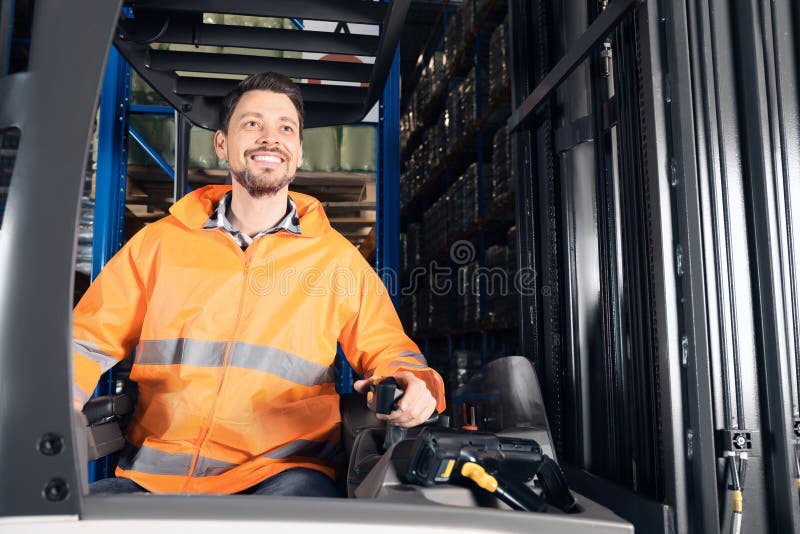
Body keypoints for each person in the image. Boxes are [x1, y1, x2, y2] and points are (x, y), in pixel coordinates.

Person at [73, 71, 445, 497]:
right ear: (221, 143)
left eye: (285, 128)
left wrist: (417, 383)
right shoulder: (159, 244)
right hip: (157, 475)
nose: (271, 138)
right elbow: (86, 339)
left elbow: (389, 348)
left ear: (299, 151)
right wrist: (56, 400)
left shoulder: (336, 261)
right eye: (253, 124)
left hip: (283, 474)